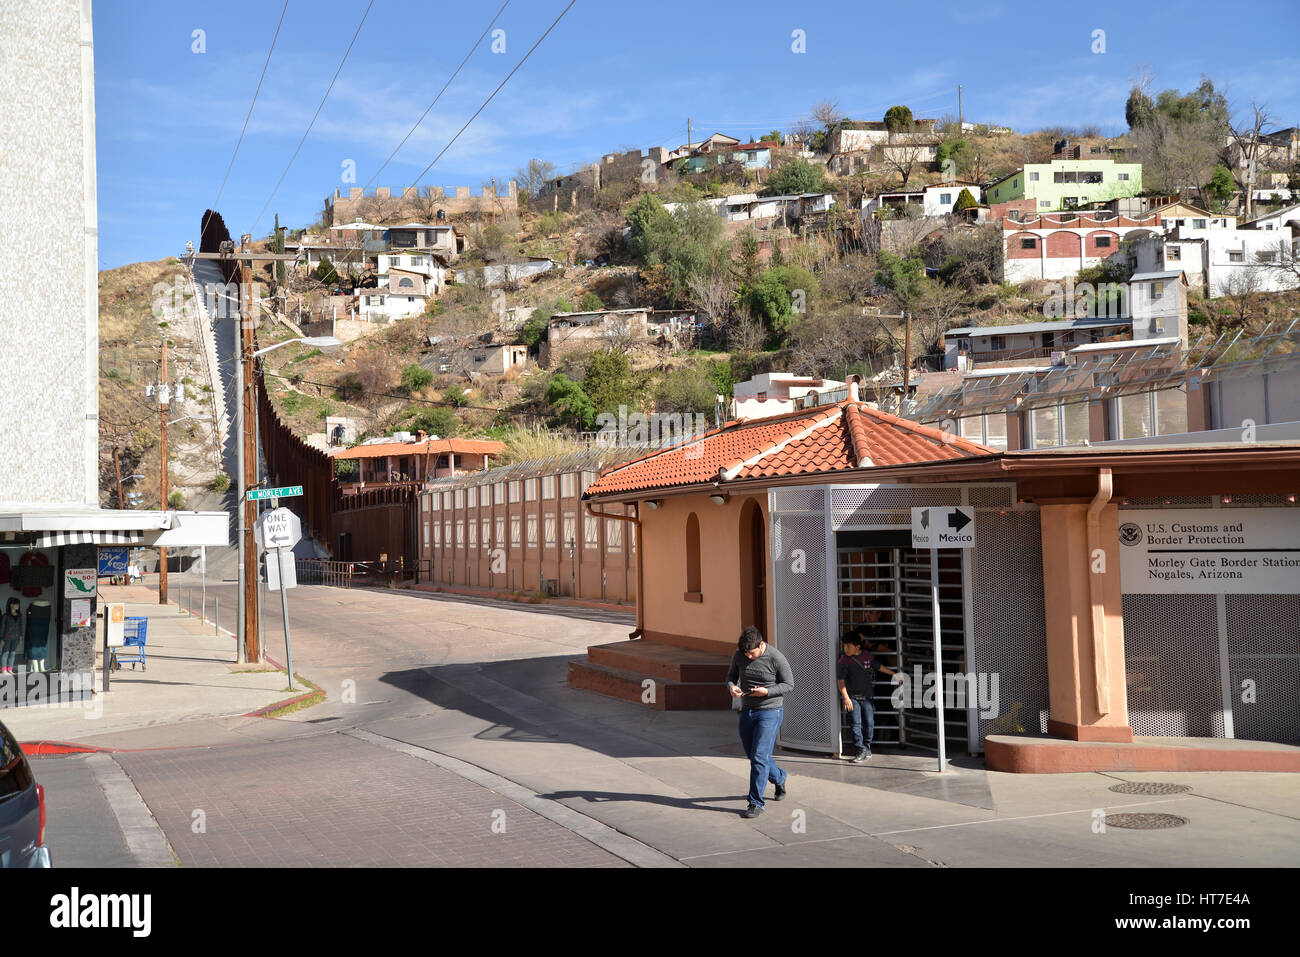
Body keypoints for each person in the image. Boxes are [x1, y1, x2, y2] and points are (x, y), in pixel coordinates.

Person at [725, 626, 794, 819]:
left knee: (759, 757)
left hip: (770, 711)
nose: (748, 656)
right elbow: (731, 676)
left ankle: (755, 803)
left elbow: (789, 684)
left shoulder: (776, 657)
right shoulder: (739, 655)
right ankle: (779, 777)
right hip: (747, 710)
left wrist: (767, 691)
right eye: (745, 653)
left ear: (761, 645)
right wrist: (732, 687)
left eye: (751, 653)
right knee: (754, 755)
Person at [838, 630, 898, 763]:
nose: (845, 649)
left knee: (869, 723)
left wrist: (893, 674)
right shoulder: (843, 661)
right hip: (852, 698)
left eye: (848, 646)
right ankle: (860, 749)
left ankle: (867, 746)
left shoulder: (867, 656)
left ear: (857, 646)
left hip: (867, 697)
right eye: (844, 646)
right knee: (855, 724)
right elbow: (841, 681)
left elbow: (879, 667)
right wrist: (846, 698)